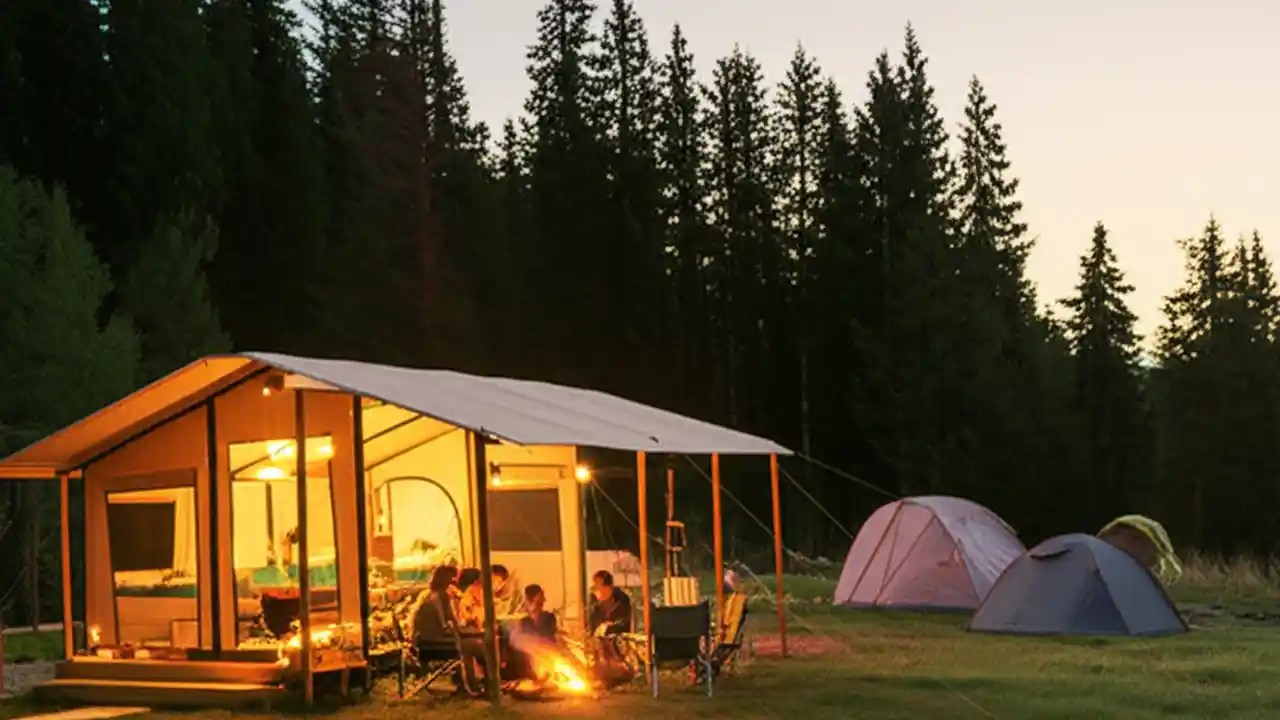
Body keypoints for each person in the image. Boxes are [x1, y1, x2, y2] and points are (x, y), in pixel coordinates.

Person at [412, 565, 489, 695]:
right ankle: (479, 684)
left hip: (421, 641)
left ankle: (470, 683)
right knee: (476, 645)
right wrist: (476, 632)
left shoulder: (426, 594)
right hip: (434, 643)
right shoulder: (442, 596)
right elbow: (449, 625)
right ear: (446, 579)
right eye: (453, 577)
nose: (455, 581)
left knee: (472, 642)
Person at [588, 570, 632, 636]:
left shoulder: (622, 599)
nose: (595, 588)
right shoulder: (594, 602)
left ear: (607, 587)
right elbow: (591, 626)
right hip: (599, 642)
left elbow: (625, 623)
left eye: (597, 585)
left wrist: (609, 626)